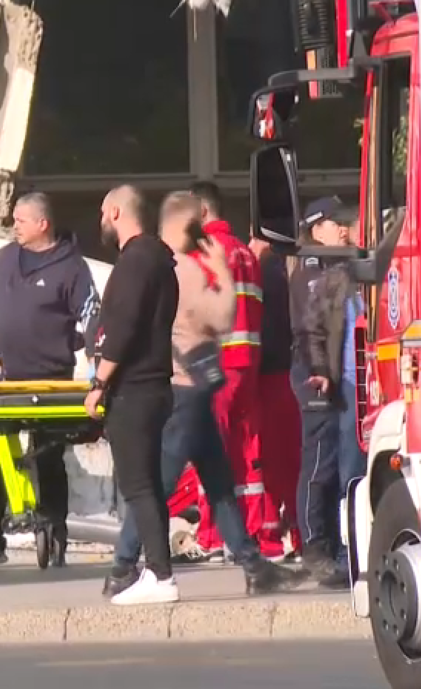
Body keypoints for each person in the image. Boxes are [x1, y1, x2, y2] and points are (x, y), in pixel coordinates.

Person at [103, 192, 306, 599]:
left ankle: (252, 564)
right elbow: (222, 318)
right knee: (157, 484)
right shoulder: (183, 269)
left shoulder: (157, 268)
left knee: (217, 483)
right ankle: (123, 565)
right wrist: (223, 274)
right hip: (187, 394)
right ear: (185, 225)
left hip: (183, 390)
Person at [0, 192, 100, 568]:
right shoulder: (6, 257)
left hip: (49, 378)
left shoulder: (72, 266)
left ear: (43, 223)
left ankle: (54, 532)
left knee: (49, 456)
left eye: (20, 220)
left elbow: (91, 316)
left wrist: (95, 366)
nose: (13, 226)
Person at [177, 182, 281, 560]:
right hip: (249, 364)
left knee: (209, 451)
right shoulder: (246, 254)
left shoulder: (205, 253)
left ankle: (211, 536)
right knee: (248, 452)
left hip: (216, 365)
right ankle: (259, 533)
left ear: (202, 212)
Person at [85, 185, 179, 606]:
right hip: (155, 386)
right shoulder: (159, 262)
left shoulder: (134, 263)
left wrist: (99, 384)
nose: (101, 220)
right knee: (149, 487)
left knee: (138, 488)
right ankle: (157, 572)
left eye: (104, 212)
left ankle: (159, 575)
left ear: (118, 212)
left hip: (134, 390)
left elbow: (122, 330)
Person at [290, 196, 366, 589]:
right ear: (315, 228)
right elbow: (309, 328)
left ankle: (336, 550)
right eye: (335, 222)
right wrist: (320, 370)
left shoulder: (339, 264)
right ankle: (315, 550)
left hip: (334, 378)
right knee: (319, 466)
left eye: (344, 220)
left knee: (337, 466)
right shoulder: (313, 268)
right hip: (315, 376)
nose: (343, 227)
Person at [249, 227, 302, 561]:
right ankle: (299, 534)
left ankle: (269, 538)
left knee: (267, 460)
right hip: (292, 373)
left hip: (266, 375)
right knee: (293, 461)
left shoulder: (261, 270)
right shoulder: (293, 270)